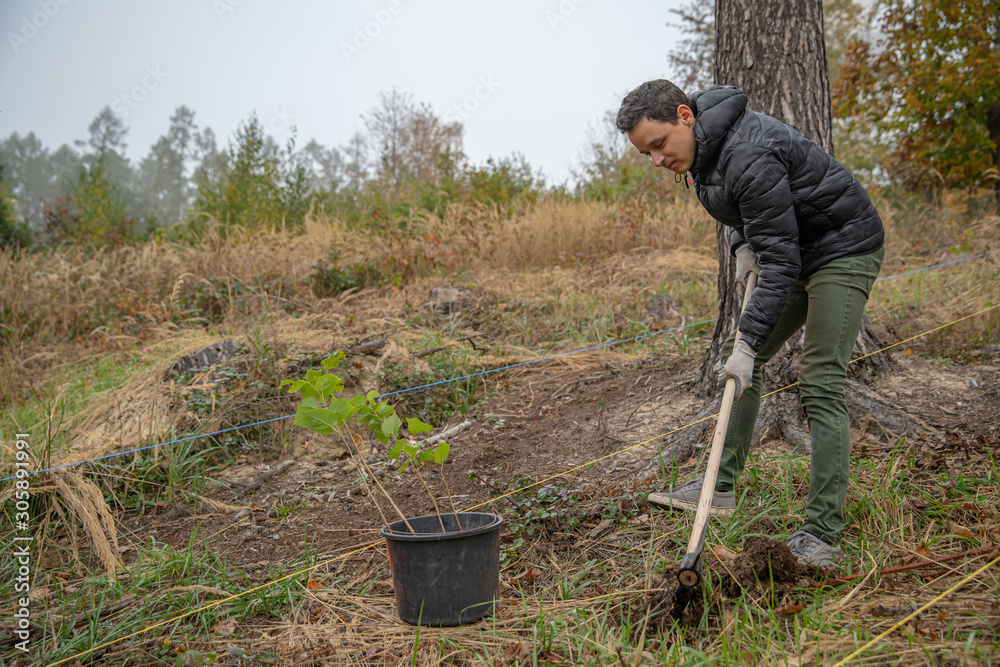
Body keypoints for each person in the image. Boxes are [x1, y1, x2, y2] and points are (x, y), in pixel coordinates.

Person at [615, 80, 885, 568]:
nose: (656, 160)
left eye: (658, 145)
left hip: (842, 248)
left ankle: (822, 533)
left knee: (819, 380)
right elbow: (747, 209)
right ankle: (720, 487)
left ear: (685, 115)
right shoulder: (702, 154)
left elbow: (777, 257)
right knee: (740, 363)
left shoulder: (747, 153)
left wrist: (750, 336)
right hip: (798, 250)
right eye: (645, 154)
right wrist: (742, 243)